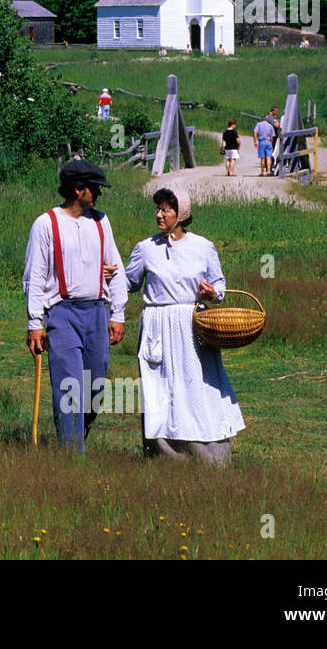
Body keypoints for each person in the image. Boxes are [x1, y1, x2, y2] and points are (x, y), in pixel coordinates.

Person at [126, 188, 244, 466]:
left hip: (193, 326)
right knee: (160, 388)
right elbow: (128, 284)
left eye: (166, 209)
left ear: (182, 214)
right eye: (157, 208)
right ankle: (165, 456)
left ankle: (209, 454)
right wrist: (109, 274)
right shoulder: (146, 249)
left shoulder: (203, 246)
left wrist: (212, 294)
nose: (159, 214)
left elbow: (219, 286)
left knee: (197, 386)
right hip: (157, 325)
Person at [23, 159, 127, 453]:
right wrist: (35, 323)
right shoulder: (46, 224)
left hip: (97, 313)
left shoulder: (101, 221)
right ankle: (72, 458)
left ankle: (74, 437)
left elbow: (115, 268)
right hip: (62, 314)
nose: (99, 194)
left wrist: (117, 313)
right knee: (70, 388)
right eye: (95, 189)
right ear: (78, 189)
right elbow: (35, 277)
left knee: (95, 389)